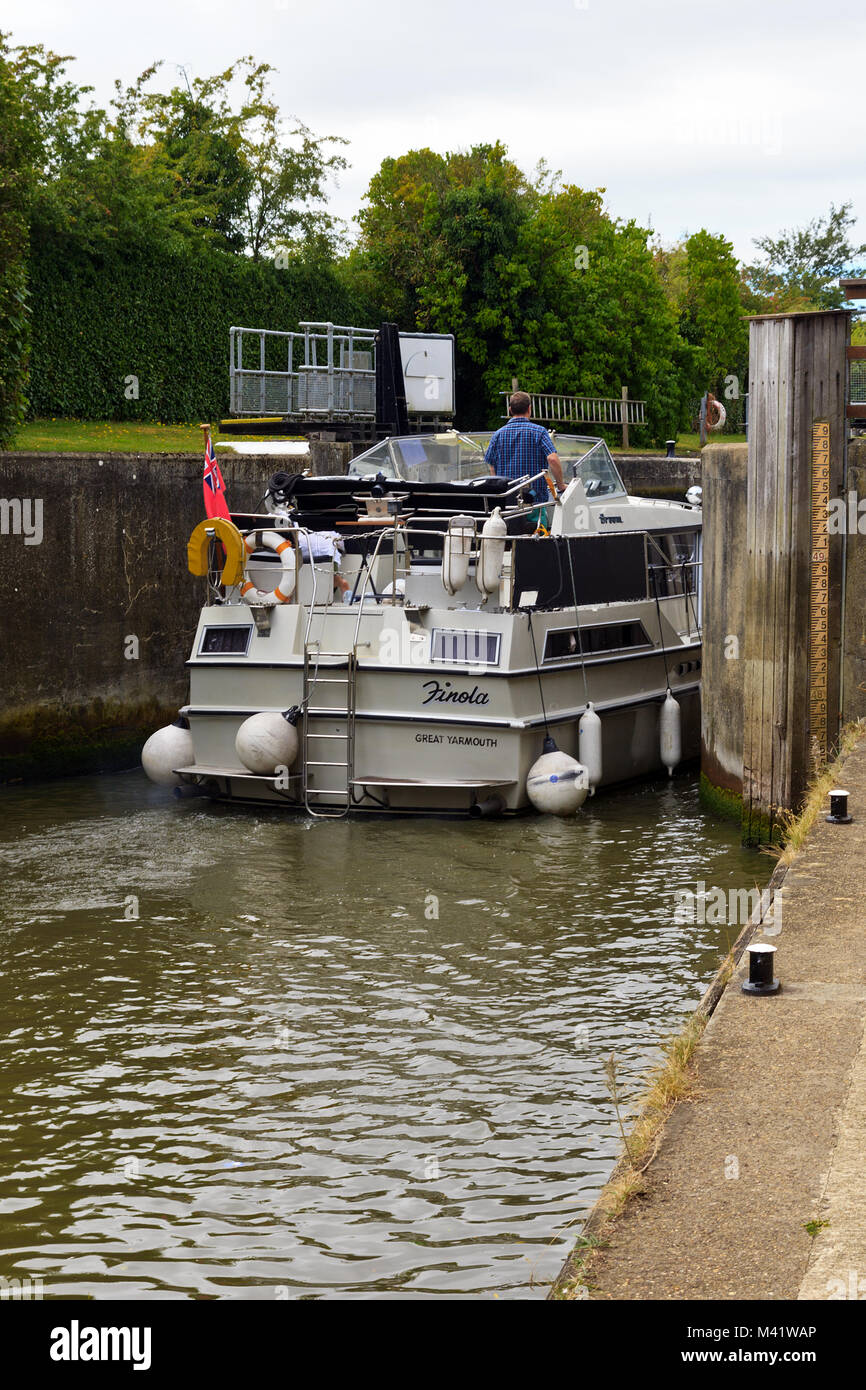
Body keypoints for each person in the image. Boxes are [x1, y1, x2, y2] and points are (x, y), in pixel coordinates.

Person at [485, 392, 565, 515]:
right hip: (535, 503)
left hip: (507, 505)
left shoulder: (498, 435)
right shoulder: (539, 432)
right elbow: (552, 459)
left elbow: (491, 466)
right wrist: (560, 486)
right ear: (529, 408)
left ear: (510, 410)